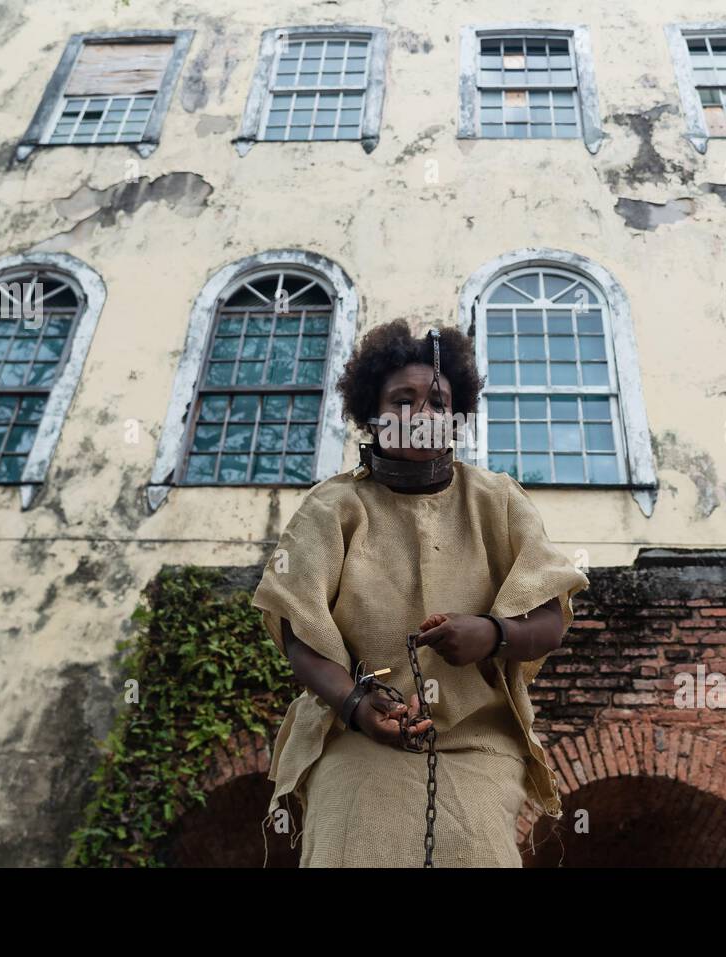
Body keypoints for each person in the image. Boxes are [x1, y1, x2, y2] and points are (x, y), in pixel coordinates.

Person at [253, 318, 590, 867]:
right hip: (355, 736)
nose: (421, 414)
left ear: (456, 417)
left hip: (475, 743)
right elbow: (299, 631)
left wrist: (494, 634)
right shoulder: (332, 507)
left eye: (438, 400)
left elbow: (550, 620)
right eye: (402, 400)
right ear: (373, 415)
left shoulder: (497, 501)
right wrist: (358, 705)